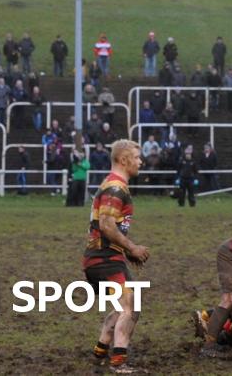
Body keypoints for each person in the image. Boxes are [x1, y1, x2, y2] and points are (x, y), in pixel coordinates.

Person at [83, 139, 149, 373]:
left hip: (104, 258)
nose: (140, 162)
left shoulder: (114, 185)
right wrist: (132, 248)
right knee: (129, 307)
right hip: (104, 259)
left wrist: (125, 250)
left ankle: (101, 351)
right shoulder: (115, 188)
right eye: (137, 157)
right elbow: (106, 225)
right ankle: (118, 362)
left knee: (128, 305)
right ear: (123, 160)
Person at [68, 136, 90, 207]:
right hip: (76, 178)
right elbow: (74, 169)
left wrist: (81, 165)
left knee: (81, 192)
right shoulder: (75, 162)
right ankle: (73, 203)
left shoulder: (85, 161)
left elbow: (87, 167)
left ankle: (81, 203)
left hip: (82, 179)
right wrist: (77, 164)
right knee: (74, 192)